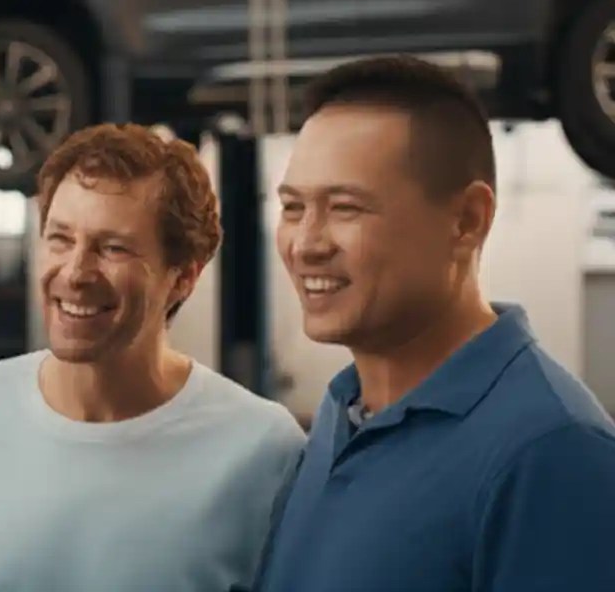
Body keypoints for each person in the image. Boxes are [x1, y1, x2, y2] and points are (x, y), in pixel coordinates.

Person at [254, 56, 615, 591]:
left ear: (466, 221)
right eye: (292, 207)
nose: (307, 243)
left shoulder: (551, 451)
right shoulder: (343, 414)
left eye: (346, 208)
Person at [0, 123, 307, 592]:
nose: (76, 272)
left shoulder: (263, 447)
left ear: (183, 276)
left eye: (112, 248)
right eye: (60, 239)